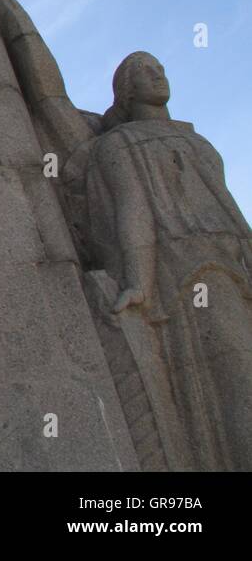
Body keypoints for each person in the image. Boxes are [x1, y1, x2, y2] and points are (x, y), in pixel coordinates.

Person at [80, 51, 252, 468]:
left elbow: (229, 208)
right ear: (125, 89)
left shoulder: (198, 141)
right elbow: (132, 208)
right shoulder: (118, 145)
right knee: (237, 380)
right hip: (190, 273)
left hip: (236, 263)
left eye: (160, 68)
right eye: (145, 71)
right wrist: (138, 281)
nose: (158, 75)